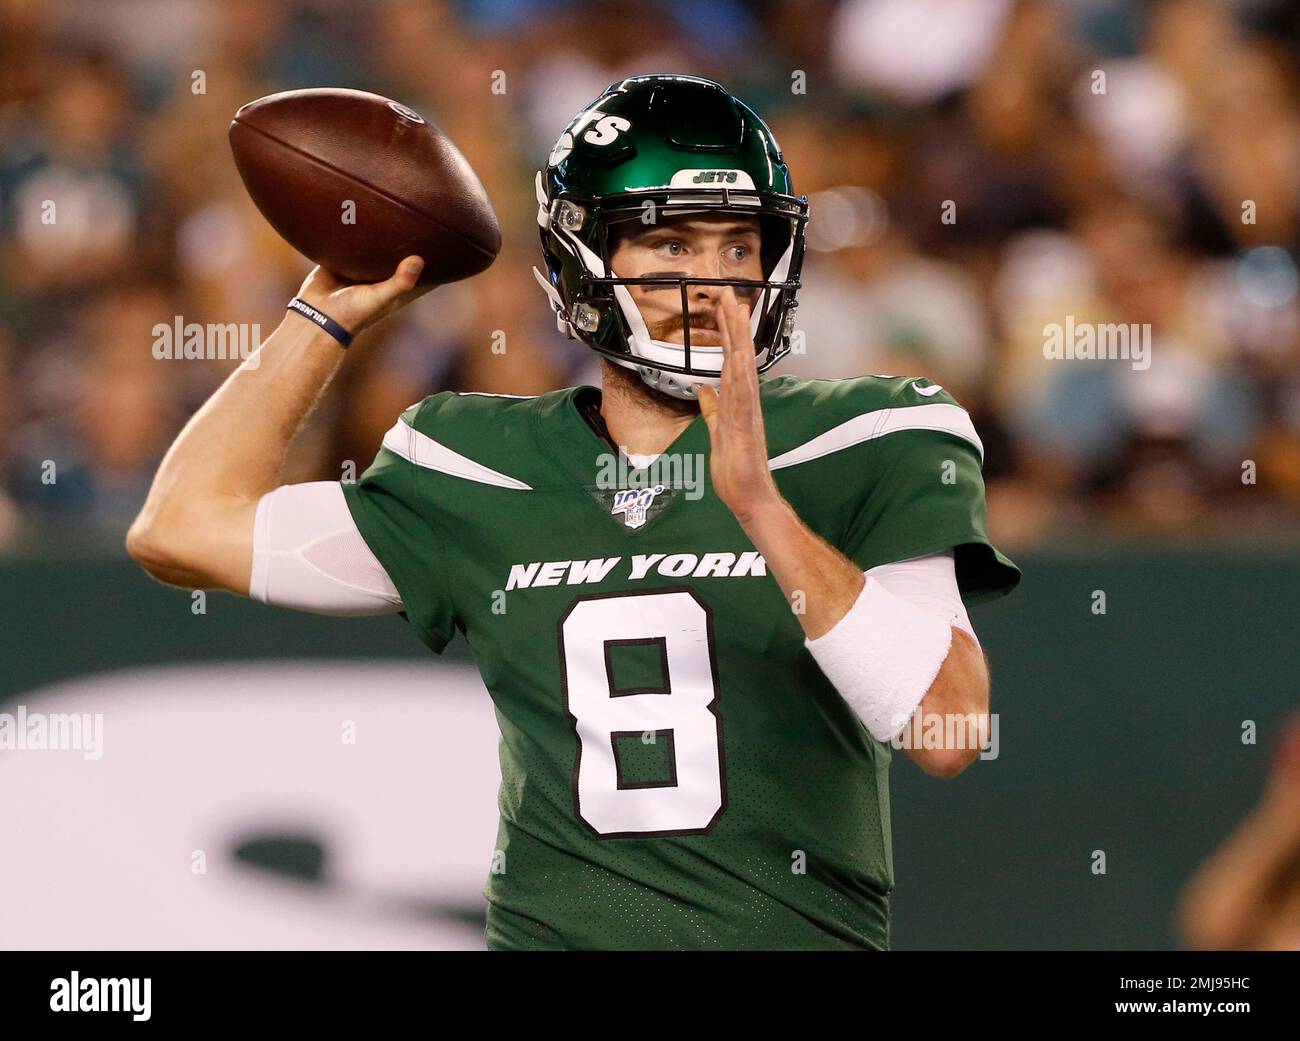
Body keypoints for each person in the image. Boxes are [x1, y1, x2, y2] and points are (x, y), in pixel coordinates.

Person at [127, 74, 1019, 950]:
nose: (710, 281)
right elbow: (181, 527)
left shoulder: (871, 432)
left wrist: (762, 507)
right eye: (669, 244)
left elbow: (946, 729)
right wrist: (321, 316)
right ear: (582, 263)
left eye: (738, 247)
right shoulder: (475, 462)